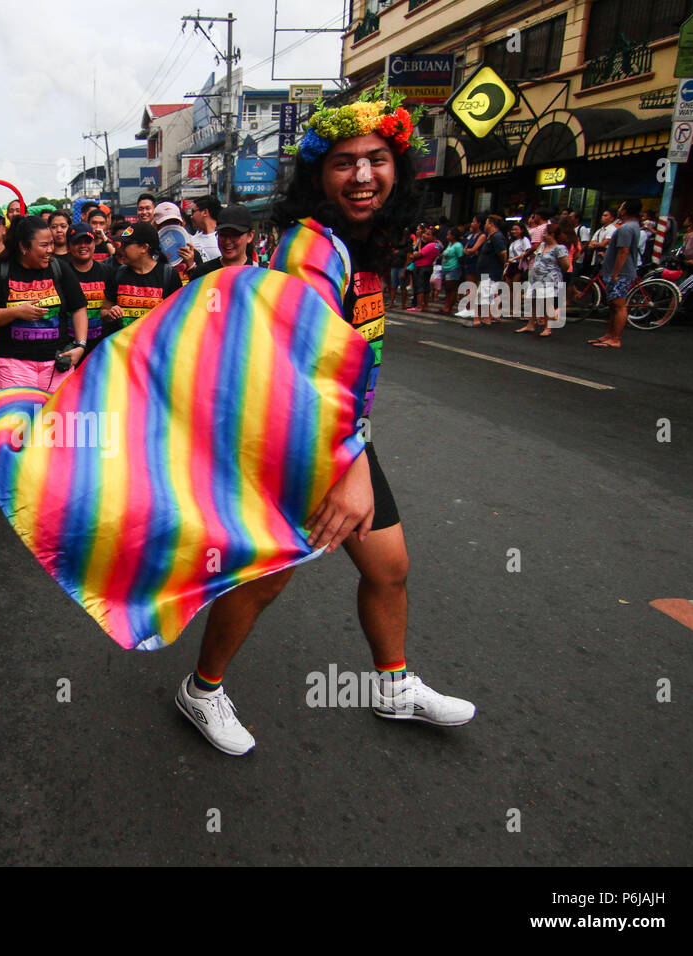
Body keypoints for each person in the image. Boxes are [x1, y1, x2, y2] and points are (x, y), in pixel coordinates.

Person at [175, 85, 474, 756]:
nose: (363, 175)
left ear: (398, 168)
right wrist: (352, 471)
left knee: (388, 566)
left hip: (338, 434)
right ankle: (201, 691)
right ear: (319, 175)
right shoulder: (313, 250)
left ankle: (393, 687)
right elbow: (309, 371)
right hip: (288, 439)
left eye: (376, 159)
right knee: (267, 577)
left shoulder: (365, 241)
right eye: (344, 162)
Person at [0, 215, 87, 392]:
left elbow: (79, 308)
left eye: (51, 244)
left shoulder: (59, 268)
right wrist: (15, 312)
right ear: (24, 247)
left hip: (57, 365)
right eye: (44, 245)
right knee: (18, 420)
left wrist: (80, 345)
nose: (51, 249)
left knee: (57, 419)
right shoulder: (0, 269)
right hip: (13, 365)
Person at [103, 222, 183, 328]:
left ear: (144, 248)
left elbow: (178, 316)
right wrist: (109, 314)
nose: (120, 249)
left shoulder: (168, 274)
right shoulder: (117, 273)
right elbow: (104, 310)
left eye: (125, 244)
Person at [589, 199, 642, 349]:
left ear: (625, 210)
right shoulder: (629, 226)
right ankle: (609, 335)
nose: (619, 209)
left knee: (619, 305)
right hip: (617, 271)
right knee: (613, 304)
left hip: (621, 272)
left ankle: (615, 338)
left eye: (621, 206)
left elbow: (623, 251)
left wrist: (616, 273)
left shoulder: (626, 228)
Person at [62, 222, 114, 352]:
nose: (83, 246)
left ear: (94, 244)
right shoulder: (61, 273)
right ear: (68, 247)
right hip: (69, 345)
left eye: (87, 241)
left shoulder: (108, 272)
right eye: (77, 242)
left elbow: (110, 305)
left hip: (101, 347)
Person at [515, 218, 571, 337]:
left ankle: (548, 327)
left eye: (545, 233)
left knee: (548, 303)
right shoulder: (541, 246)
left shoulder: (559, 248)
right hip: (536, 278)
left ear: (552, 234)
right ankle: (530, 324)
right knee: (534, 300)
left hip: (550, 278)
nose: (543, 235)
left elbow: (566, 265)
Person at [185, 204, 255, 279]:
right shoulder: (203, 273)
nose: (227, 241)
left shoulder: (259, 274)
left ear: (250, 236)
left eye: (234, 235)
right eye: (223, 235)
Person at [474, 214, 508, 325]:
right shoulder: (490, 236)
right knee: (487, 295)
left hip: (491, 271)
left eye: (486, 223)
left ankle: (478, 319)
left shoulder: (497, 236)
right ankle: (486, 318)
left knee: (483, 294)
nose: (485, 225)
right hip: (486, 271)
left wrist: (503, 265)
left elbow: (503, 253)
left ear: (491, 224)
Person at [408, 224, 441, 312]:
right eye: (425, 234)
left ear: (434, 236)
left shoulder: (431, 245)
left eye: (428, 234)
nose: (425, 236)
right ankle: (425, 305)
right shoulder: (437, 245)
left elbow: (418, 254)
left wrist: (414, 254)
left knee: (420, 287)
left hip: (422, 267)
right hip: (428, 266)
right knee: (426, 287)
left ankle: (419, 306)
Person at [437, 226, 465, 316]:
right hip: (446, 269)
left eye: (449, 234)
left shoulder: (458, 245)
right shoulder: (449, 244)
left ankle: (449, 307)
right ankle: (446, 306)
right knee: (447, 289)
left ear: (453, 236)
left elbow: (461, 258)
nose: (447, 236)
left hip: (453, 269)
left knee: (452, 289)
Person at [188, 194, 221, 261]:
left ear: (205, 212)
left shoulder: (223, 238)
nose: (191, 216)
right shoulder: (191, 241)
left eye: (193, 212)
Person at [585, 208, 617, 273]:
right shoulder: (599, 230)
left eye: (605, 215)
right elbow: (590, 244)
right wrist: (597, 244)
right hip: (596, 260)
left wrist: (596, 244)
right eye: (603, 215)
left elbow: (603, 244)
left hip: (606, 260)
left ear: (612, 218)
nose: (602, 217)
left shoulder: (612, 229)